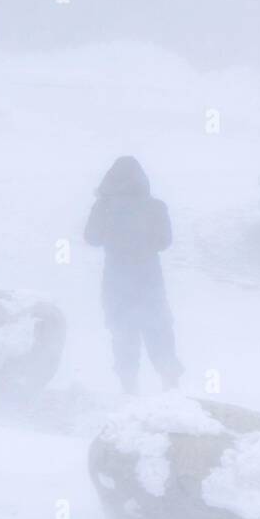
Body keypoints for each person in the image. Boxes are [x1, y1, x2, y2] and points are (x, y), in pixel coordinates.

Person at [84, 156, 183, 393]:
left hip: (116, 280)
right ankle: (170, 382)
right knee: (158, 326)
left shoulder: (104, 206)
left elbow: (91, 238)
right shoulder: (155, 206)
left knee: (122, 330)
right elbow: (164, 242)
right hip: (149, 278)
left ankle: (128, 386)